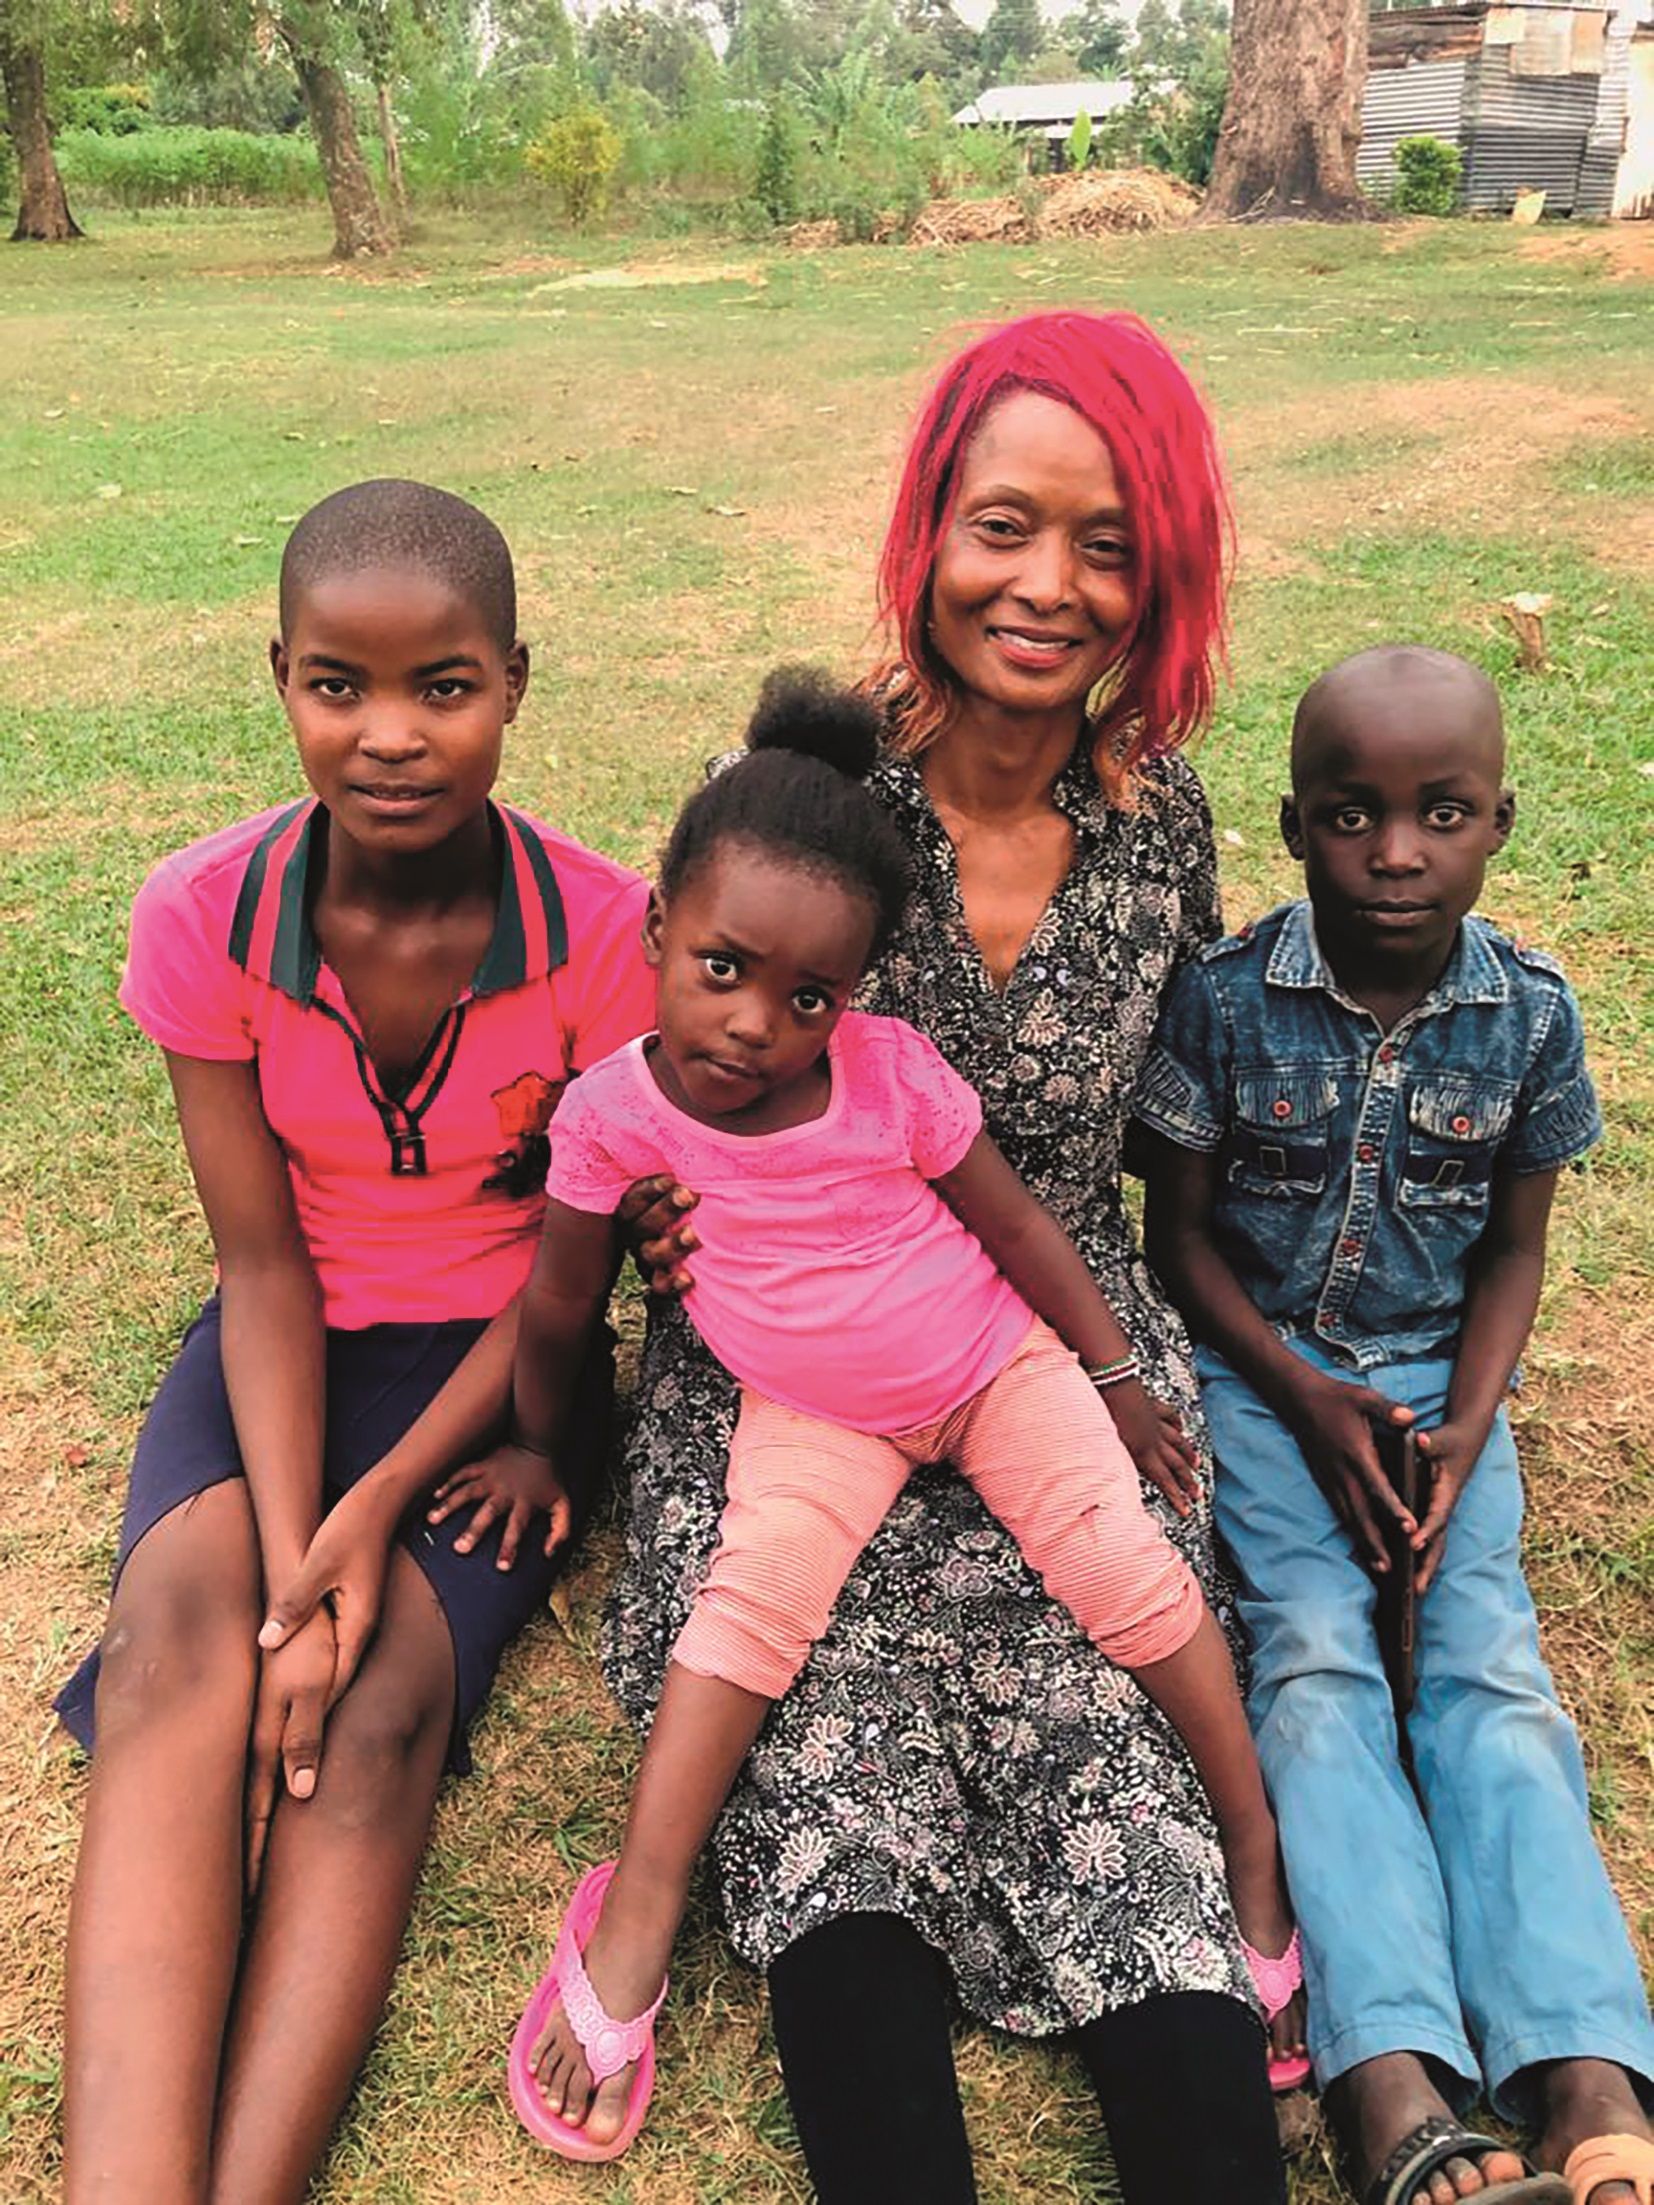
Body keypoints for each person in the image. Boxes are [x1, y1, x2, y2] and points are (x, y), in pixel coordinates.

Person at [597, 311, 1292, 2201]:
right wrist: (659, 1215)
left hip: (1034, 1356)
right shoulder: (818, 809)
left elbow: (1171, 1147)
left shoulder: (1161, 833)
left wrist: (1182, 1370)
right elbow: (670, 1063)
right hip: (798, 1365)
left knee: (1120, 1719)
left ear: (1160, 580)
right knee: (820, 1738)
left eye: (1104, 543)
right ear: (927, 532)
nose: (1045, 586)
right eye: (1004, 525)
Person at [428, 668, 1299, 2159]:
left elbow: (1020, 1230)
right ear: (654, 932)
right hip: (809, 1410)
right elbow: (563, 1302)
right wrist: (524, 1433)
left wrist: (1109, 1375)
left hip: (987, 1368)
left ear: (859, 987)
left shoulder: (889, 1076)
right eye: (720, 969)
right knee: (745, 1607)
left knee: (1124, 1561)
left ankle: (1251, 1850)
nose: (755, 1023)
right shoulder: (609, 1116)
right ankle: (637, 1905)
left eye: (807, 994)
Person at [54, 479, 654, 2205]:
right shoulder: (203, 915)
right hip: (283, 1337)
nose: (388, 735)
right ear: (281, 679)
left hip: (501, 1363)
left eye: (441, 686)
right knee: (191, 1651)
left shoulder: (607, 939)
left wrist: (353, 1536)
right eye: (339, 684)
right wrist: (283, 1564)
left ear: (516, 682)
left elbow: (566, 1285)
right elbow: (261, 1265)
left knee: (370, 1706)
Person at [1135, 645, 1654, 2205]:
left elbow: (1510, 1250)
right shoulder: (1223, 1003)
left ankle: (1579, 2065)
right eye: (1352, 815)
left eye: (1440, 812)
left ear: (1499, 817)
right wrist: (1300, 1394)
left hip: (1441, 1386)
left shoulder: (1528, 1016)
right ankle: (1388, 2072)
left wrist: (1458, 1433)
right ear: (1291, 825)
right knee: (1311, 1662)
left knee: (1482, 1665)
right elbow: (1180, 1241)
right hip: (1263, 1376)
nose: (1396, 851)